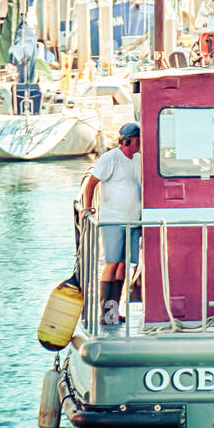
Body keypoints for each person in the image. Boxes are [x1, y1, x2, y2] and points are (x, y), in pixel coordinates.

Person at [82, 122, 142, 327]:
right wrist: (87, 207)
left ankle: (116, 310)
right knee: (112, 263)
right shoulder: (110, 158)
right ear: (131, 140)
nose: (139, 143)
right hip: (113, 220)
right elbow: (91, 183)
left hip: (133, 221)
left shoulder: (139, 159)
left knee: (125, 264)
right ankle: (106, 313)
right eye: (138, 139)